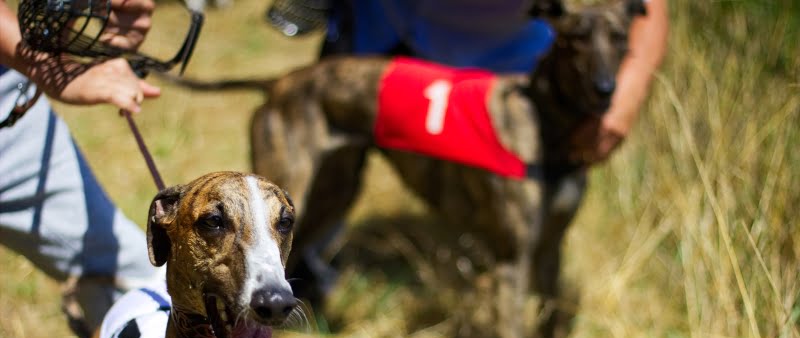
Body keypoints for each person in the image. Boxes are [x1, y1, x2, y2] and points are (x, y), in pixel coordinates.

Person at [266, 0, 669, 303]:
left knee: (508, 222)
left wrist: (625, 98)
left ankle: (488, 299)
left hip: (502, 63)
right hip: (375, 31)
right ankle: (290, 290)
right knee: (319, 192)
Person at [0, 0, 163, 338]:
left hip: (10, 108)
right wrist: (48, 65)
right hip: (22, 70)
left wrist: (79, 14)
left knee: (147, 286)